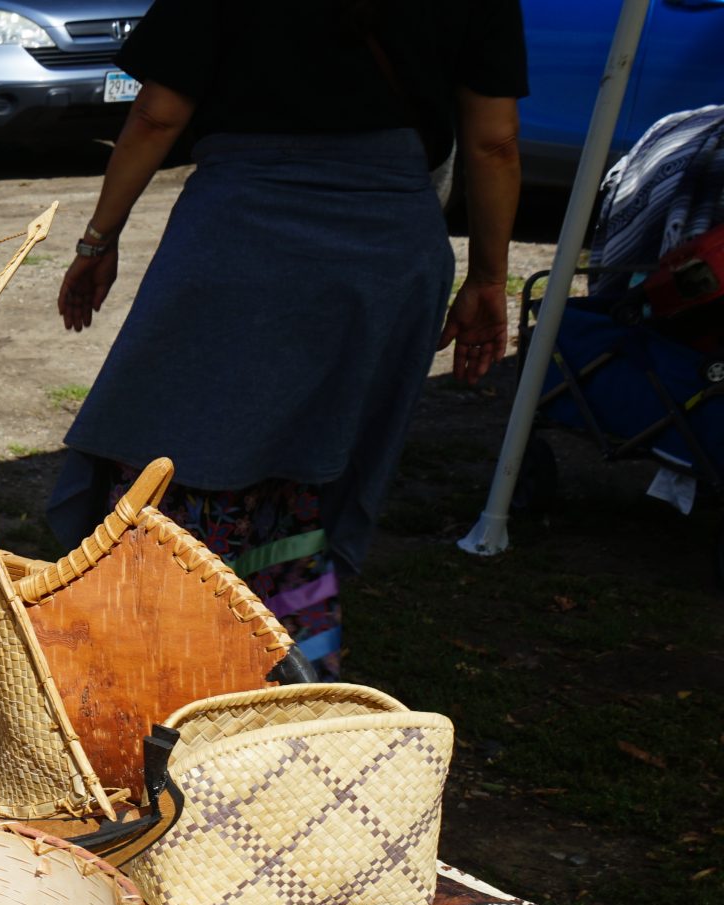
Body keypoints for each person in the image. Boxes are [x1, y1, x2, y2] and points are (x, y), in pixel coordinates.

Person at [50, 0, 527, 676]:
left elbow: (158, 112)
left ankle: (141, 666)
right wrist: (487, 277)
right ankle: (284, 676)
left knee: (173, 455)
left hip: (241, 238)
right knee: (299, 477)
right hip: (384, 252)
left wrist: (99, 237)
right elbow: (494, 141)